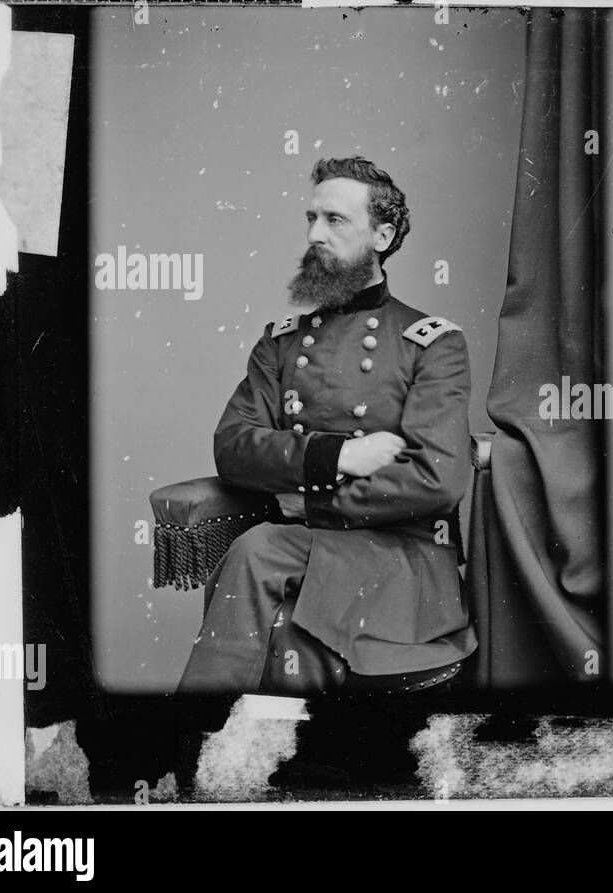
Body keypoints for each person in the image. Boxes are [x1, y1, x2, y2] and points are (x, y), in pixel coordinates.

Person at [177, 156, 476, 697]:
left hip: (399, 554)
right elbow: (234, 446)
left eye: (335, 220)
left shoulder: (433, 344)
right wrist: (336, 457)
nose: (315, 234)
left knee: (257, 548)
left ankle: (194, 734)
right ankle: (204, 741)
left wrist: (310, 500)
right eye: (311, 219)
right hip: (305, 545)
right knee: (262, 551)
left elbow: (437, 479)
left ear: (382, 235)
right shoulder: (282, 341)